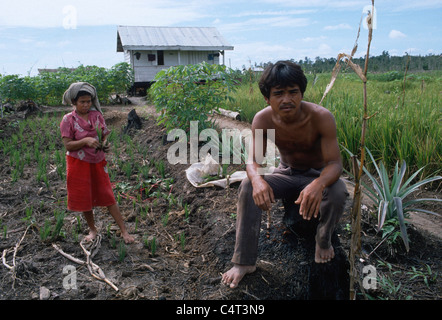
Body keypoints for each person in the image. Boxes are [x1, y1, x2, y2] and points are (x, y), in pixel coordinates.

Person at [222, 61, 348, 288]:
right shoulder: (263, 119)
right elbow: (252, 161)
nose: (286, 99)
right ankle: (244, 261)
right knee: (248, 186)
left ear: (302, 93)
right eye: (278, 93)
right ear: (267, 99)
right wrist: (258, 180)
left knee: (338, 190)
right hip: (287, 173)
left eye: (293, 92)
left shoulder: (321, 117)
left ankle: (323, 240)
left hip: (317, 174)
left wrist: (319, 183)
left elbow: (335, 164)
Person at [60, 82, 134, 244]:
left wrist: (105, 143)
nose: (86, 105)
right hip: (78, 163)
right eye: (82, 102)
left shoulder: (96, 116)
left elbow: (104, 135)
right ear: (74, 102)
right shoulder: (68, 120)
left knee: (107, 195)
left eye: (88, 101)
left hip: (97, 160)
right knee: (84, 196)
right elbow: (68, 145)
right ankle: (92, 229)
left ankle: (124, 230)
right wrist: (86, 140)